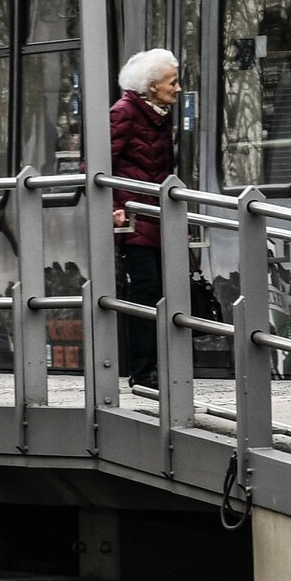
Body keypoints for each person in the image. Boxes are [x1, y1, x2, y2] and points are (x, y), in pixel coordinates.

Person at [111, 48, 180, 392]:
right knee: (145, 291)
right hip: (136, 220)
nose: (178, 88)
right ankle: (143, 370)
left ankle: (159, 366)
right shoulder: (124, 112)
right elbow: (94, 164)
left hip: (159, 216)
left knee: (163, 291)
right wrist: (114, 205)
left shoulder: (158, 113)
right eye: (173, 82)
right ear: (152, 85)